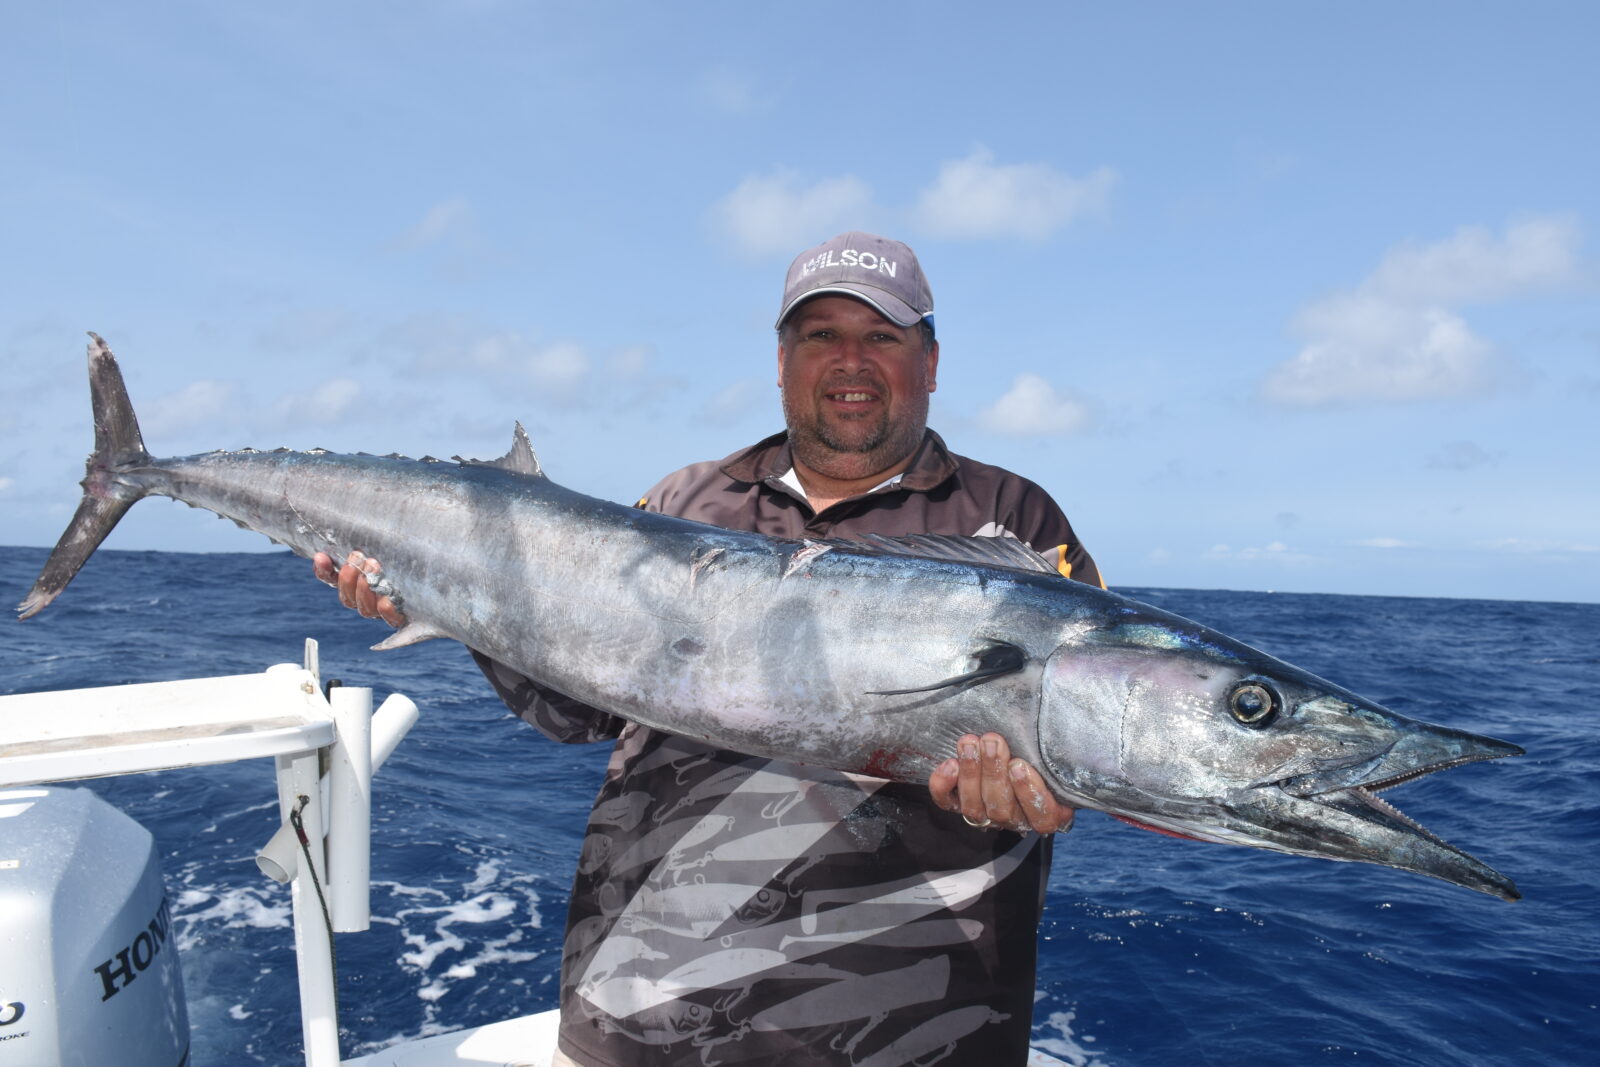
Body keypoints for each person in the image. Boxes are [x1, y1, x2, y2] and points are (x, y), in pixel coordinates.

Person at [317, 232, 1103, 1066]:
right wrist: (448, 597)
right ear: (780, 358)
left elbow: (1081, 751)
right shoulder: (685, 500)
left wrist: (1043, 793)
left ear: (932, 360)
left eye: (882, 336)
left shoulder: (1013, 524)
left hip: (905, 1037)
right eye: (820, 335)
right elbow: (575, 709)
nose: (850, 360)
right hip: (637, 1019)